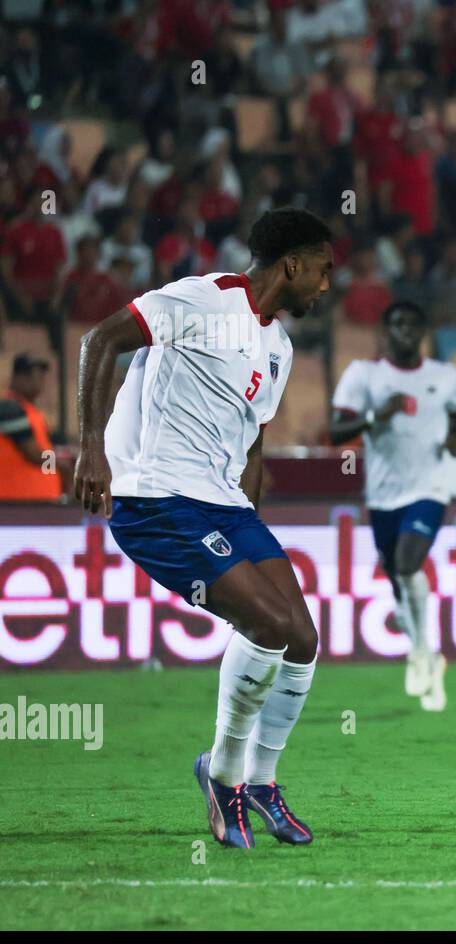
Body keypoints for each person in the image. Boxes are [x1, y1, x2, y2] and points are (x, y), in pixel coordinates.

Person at [74, 207, 335, 849]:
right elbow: (100, 341)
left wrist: (252, 488)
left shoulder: (280, 346)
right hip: (156, 497)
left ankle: (264, 784)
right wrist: (90, 447)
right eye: (323, 271)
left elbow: (254, 436)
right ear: (291, 265)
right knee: (268, 625)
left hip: (223, 504)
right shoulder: (200, 299)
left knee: (302, 637)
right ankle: (221, 778)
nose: (326, 286)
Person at [329, 302, 456, 711]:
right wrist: (375, 416)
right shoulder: (364, 375)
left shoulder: (445, 376)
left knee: (408, 565)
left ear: (423, 331)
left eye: (411, 325)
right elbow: (337, 431)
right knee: (397, 581)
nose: (404, 332)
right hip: (383, 494)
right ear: (386, 333)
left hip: (430, 487)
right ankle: (428, 654)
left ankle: (420, 653)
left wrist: (455, 439)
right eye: (396, 325)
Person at [0, 352, 62, 501]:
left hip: (41, 501)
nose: (39, 381)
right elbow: (34, 454)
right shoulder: (10, 408)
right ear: (17, 378)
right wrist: (62, 464)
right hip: (18, 502)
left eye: (42, 376)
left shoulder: (32, 411)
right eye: (33, 376)